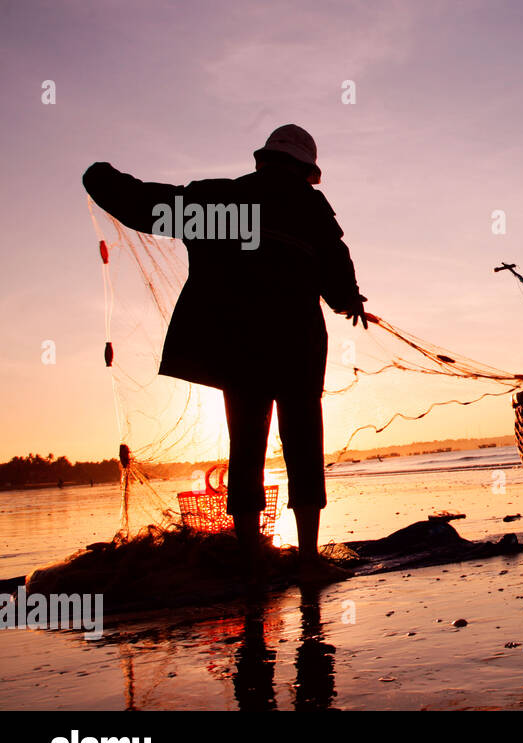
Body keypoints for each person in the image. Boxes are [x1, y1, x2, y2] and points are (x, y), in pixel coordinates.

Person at [83, 124, 366, 585]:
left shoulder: (223, 204)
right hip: (298, 349)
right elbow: (337, 278)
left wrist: (99, 178)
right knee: (303, 446)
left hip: (243, 349)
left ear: (264, 161)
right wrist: (350, 300)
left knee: (248, 448)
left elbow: (149, 206)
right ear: (306, 171)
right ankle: (309, 557)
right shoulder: (313, 212)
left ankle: (252, 560)